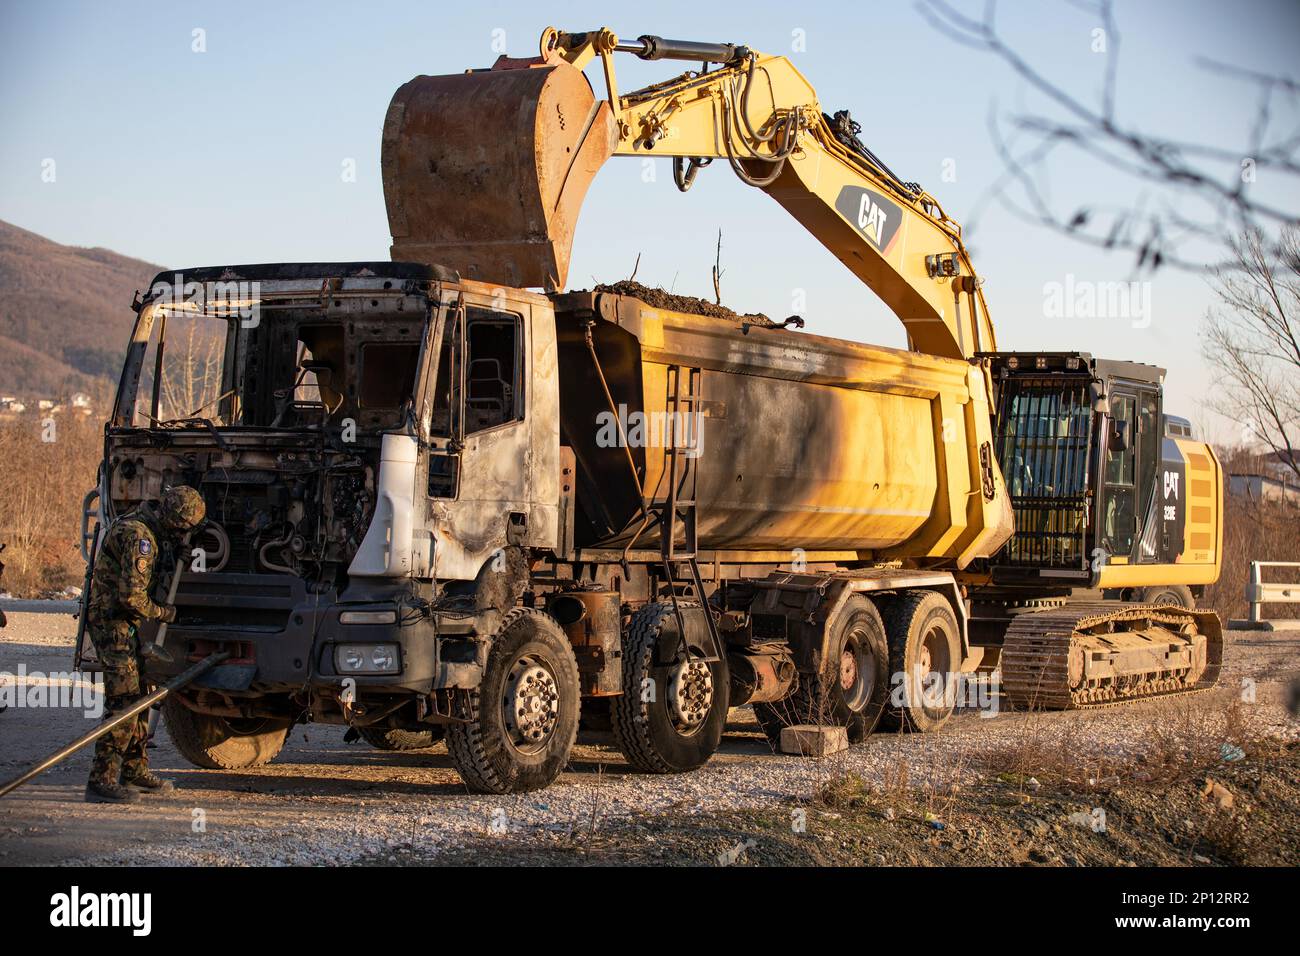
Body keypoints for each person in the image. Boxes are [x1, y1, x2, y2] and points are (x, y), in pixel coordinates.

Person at [84, 485, 205, 804]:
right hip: (113, 625)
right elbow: (131, 597)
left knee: (139, 697)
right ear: (175, 520)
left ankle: (135, 770)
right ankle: (102, 779)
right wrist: (163, 612)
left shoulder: (144, 523)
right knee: (124, 702)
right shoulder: (140, 538)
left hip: (124, 623)